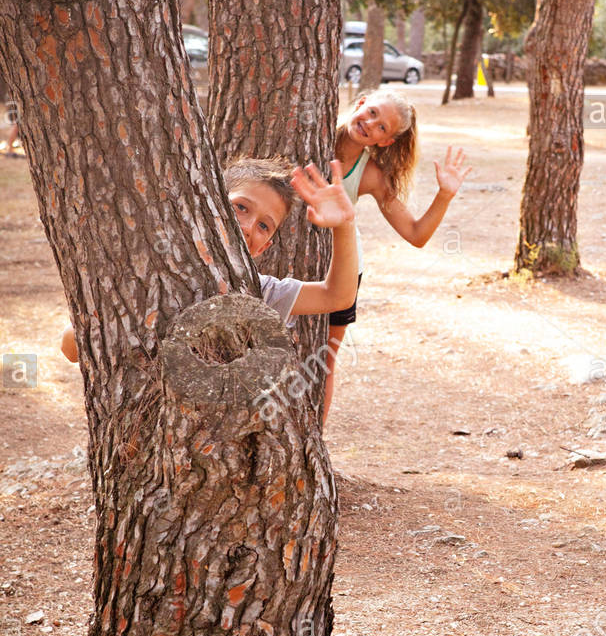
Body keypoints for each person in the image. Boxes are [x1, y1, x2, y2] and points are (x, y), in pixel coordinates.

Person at [61, 158, 357, 365]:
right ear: (207, 203)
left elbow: (338, 295)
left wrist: (344, 225)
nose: (248, 226)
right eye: (241, 207)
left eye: (264, 226)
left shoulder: (260, 294)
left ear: (263, 248)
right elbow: (71, 348)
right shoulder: (153, 273)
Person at [327, 88, 470, 420]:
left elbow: (416, 234)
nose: (370, 124)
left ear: (385, 143)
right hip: (290, 267)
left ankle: (312, 447)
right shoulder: (309, 135)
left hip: (342, 270)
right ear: (361, 104)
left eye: (382, 128)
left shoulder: (371, 175)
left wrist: (445, 195)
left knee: (323, 363)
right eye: (373, 113)